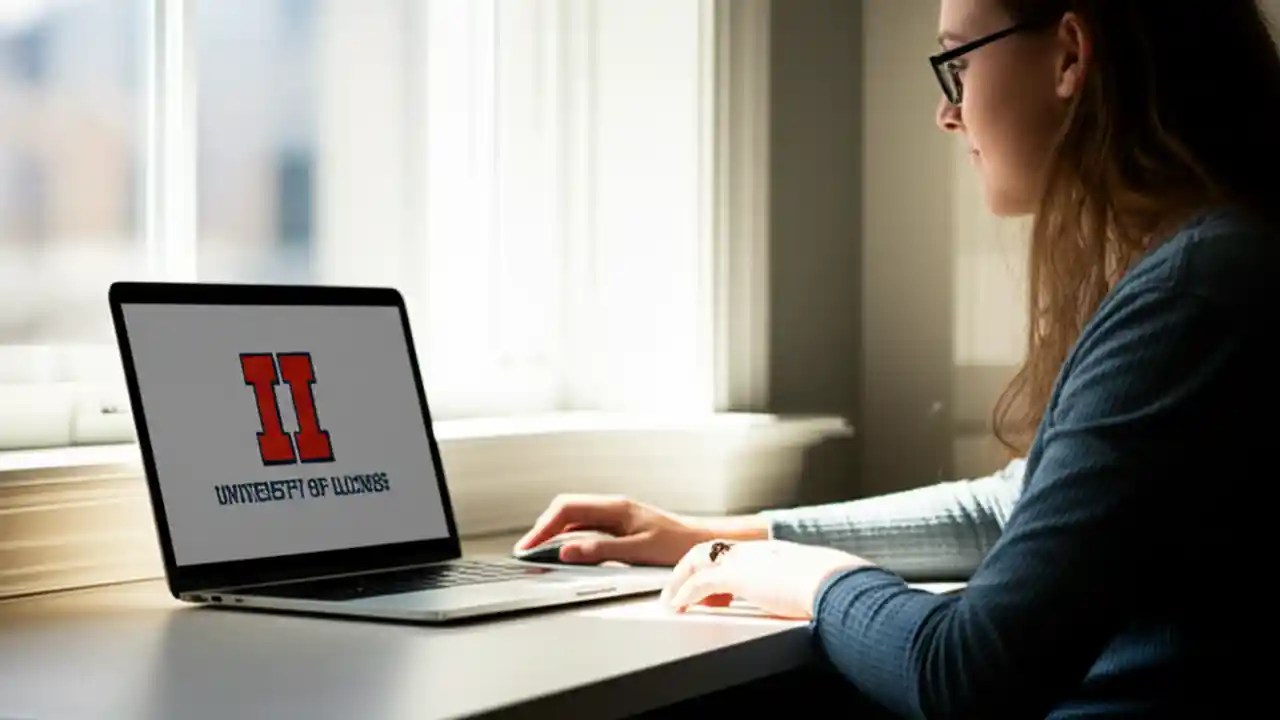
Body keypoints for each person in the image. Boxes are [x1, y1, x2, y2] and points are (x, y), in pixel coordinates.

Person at [516, 0, 1279, 716]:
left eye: (960, 64)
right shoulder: (1214, 265)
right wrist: (720, 535)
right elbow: (1007, 511)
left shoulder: (1194, 294)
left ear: (1071, 57)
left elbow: (967, 674)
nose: (949, 112)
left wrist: (809, 582)